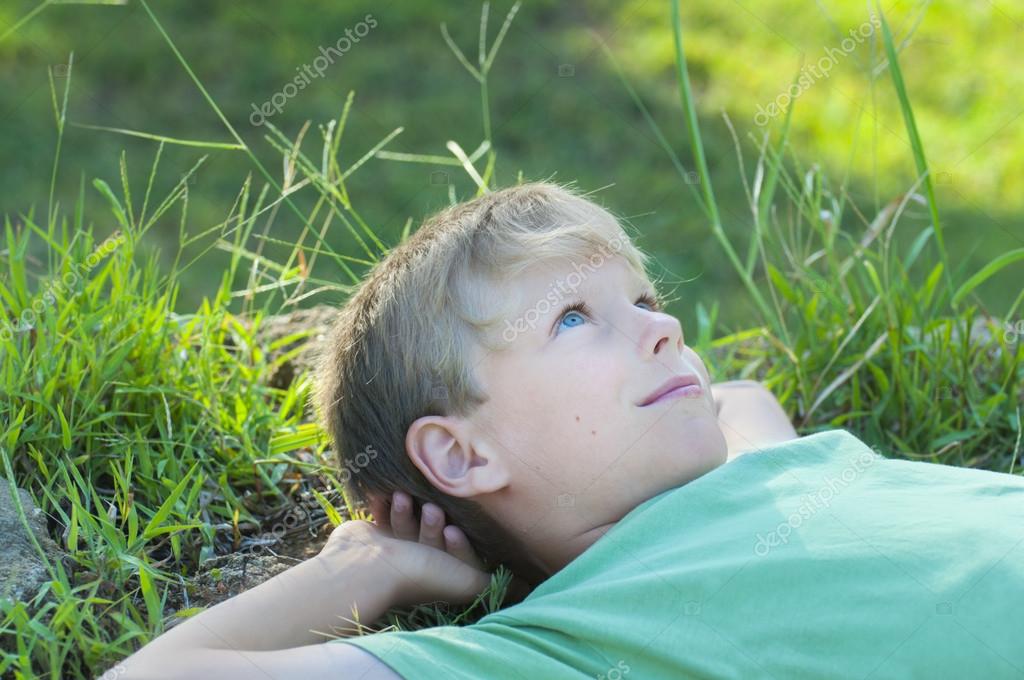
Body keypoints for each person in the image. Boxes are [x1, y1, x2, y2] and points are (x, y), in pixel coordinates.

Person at [117, 182, 1024, 679]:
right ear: (462, 454)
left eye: (646, 299)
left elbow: (741, 397)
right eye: (574, 319)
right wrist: (369, 567)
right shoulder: (580, 642)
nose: (665, 329)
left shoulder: (767, 471)